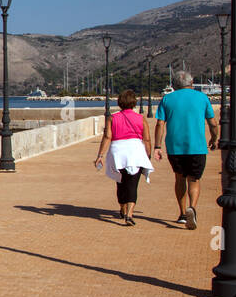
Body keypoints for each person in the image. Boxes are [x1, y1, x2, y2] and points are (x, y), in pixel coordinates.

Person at [152, 70, 220, 230]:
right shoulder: (202, 98)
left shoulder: (167, 98)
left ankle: (182, 214)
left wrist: (157, 146)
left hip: (175, 147)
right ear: (192, 82)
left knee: (179, 179)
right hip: (197, 146)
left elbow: (160, 124)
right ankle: (193, 208)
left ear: (174, 85)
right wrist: (214, 138)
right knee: (194, 180)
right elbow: (213, 123)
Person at [94, 90, 153, 225]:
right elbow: (147, 139)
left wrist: (100, 155)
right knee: (132, 184)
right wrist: (147, 155)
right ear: (134, 103)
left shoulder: (112, 118)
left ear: (120, 102)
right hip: (136, 152)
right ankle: (129, 214)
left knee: (120, 183)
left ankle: (122, 207)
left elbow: (108, 137)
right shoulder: (141, 118)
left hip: (118, 153)